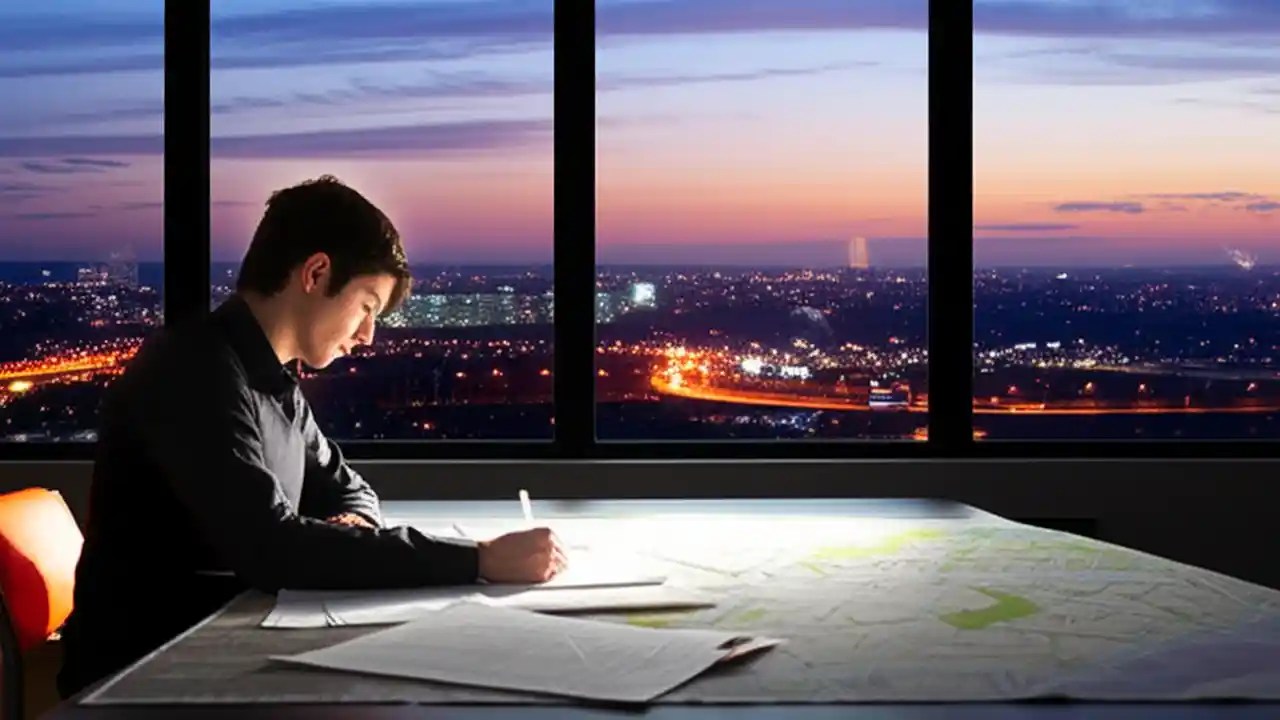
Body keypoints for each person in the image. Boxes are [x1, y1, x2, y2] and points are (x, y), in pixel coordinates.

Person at [57, 175, 568, 698]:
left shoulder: (273, 380)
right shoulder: (194, 371)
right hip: (147, 677)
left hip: (224, 645)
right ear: (317, 273)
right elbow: (272, 548)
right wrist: (478, 559)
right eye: (367, 305)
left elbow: (350, 490)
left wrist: (357, 527)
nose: (369, 334)